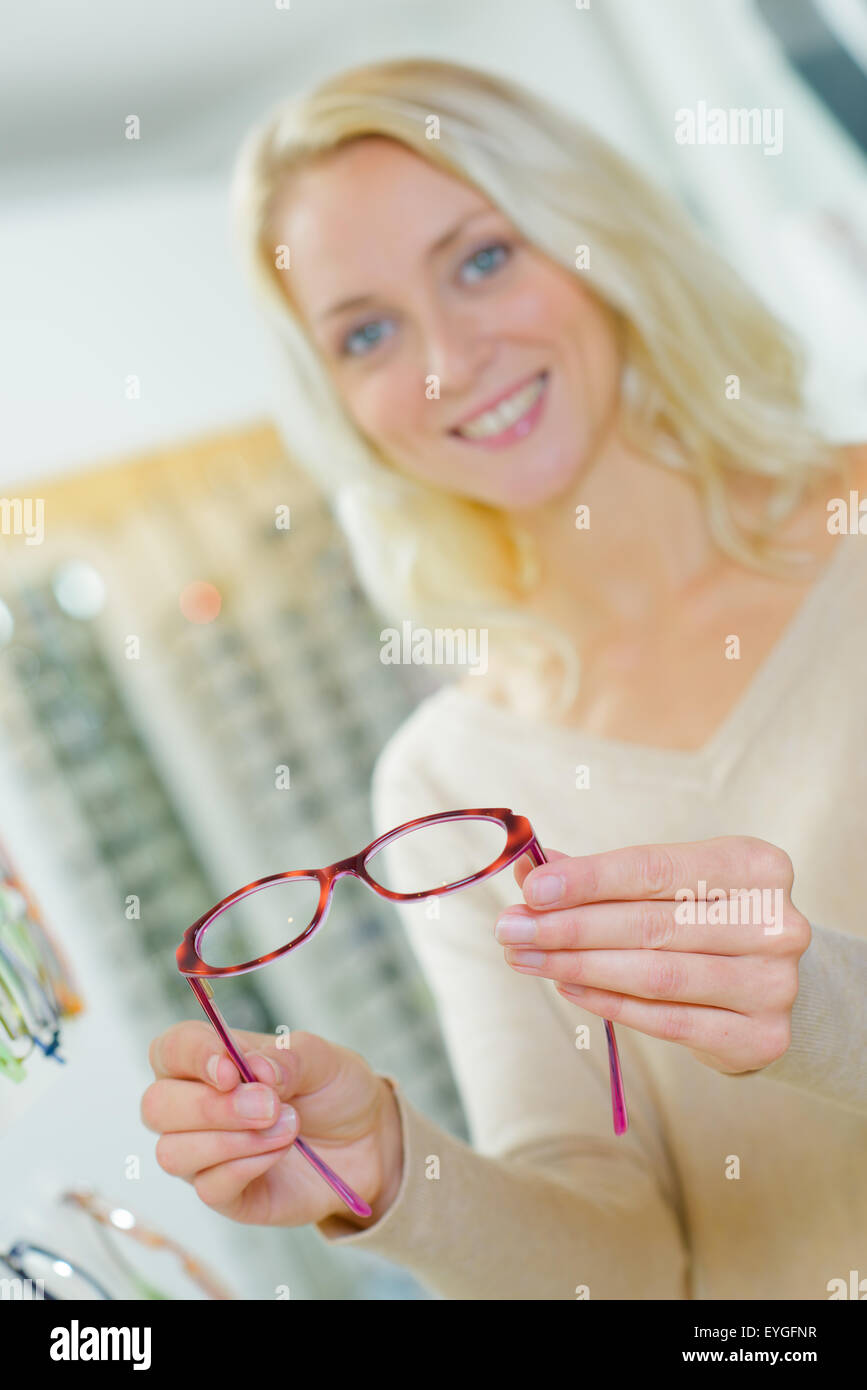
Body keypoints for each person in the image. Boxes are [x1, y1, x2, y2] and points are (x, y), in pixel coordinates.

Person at [142, 58, 867, 1300]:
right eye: (367, 333)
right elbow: (631, 1270)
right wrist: (394, 1171)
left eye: (481, 260)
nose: (446, 362)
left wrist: (821, 1009)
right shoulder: (449, 784)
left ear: (597, 239)